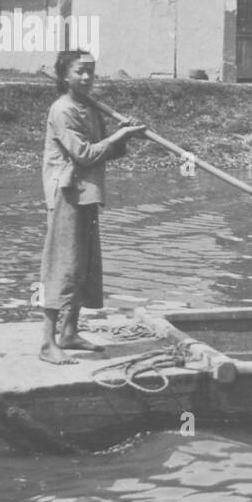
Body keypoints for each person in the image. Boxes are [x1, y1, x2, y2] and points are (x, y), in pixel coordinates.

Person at [39, 50, 146, 364]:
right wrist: (119, 134)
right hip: (66, 194)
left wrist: (124, 135)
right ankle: (47, 342)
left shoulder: (91, 109)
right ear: (65, 76)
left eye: (91, 72)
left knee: (84, 265)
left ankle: (69, 333)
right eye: (80, 71)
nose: (86, 78)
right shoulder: (61, 110)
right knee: (63, 267)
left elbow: (107, 153)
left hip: (87, 193)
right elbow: (84, 154)